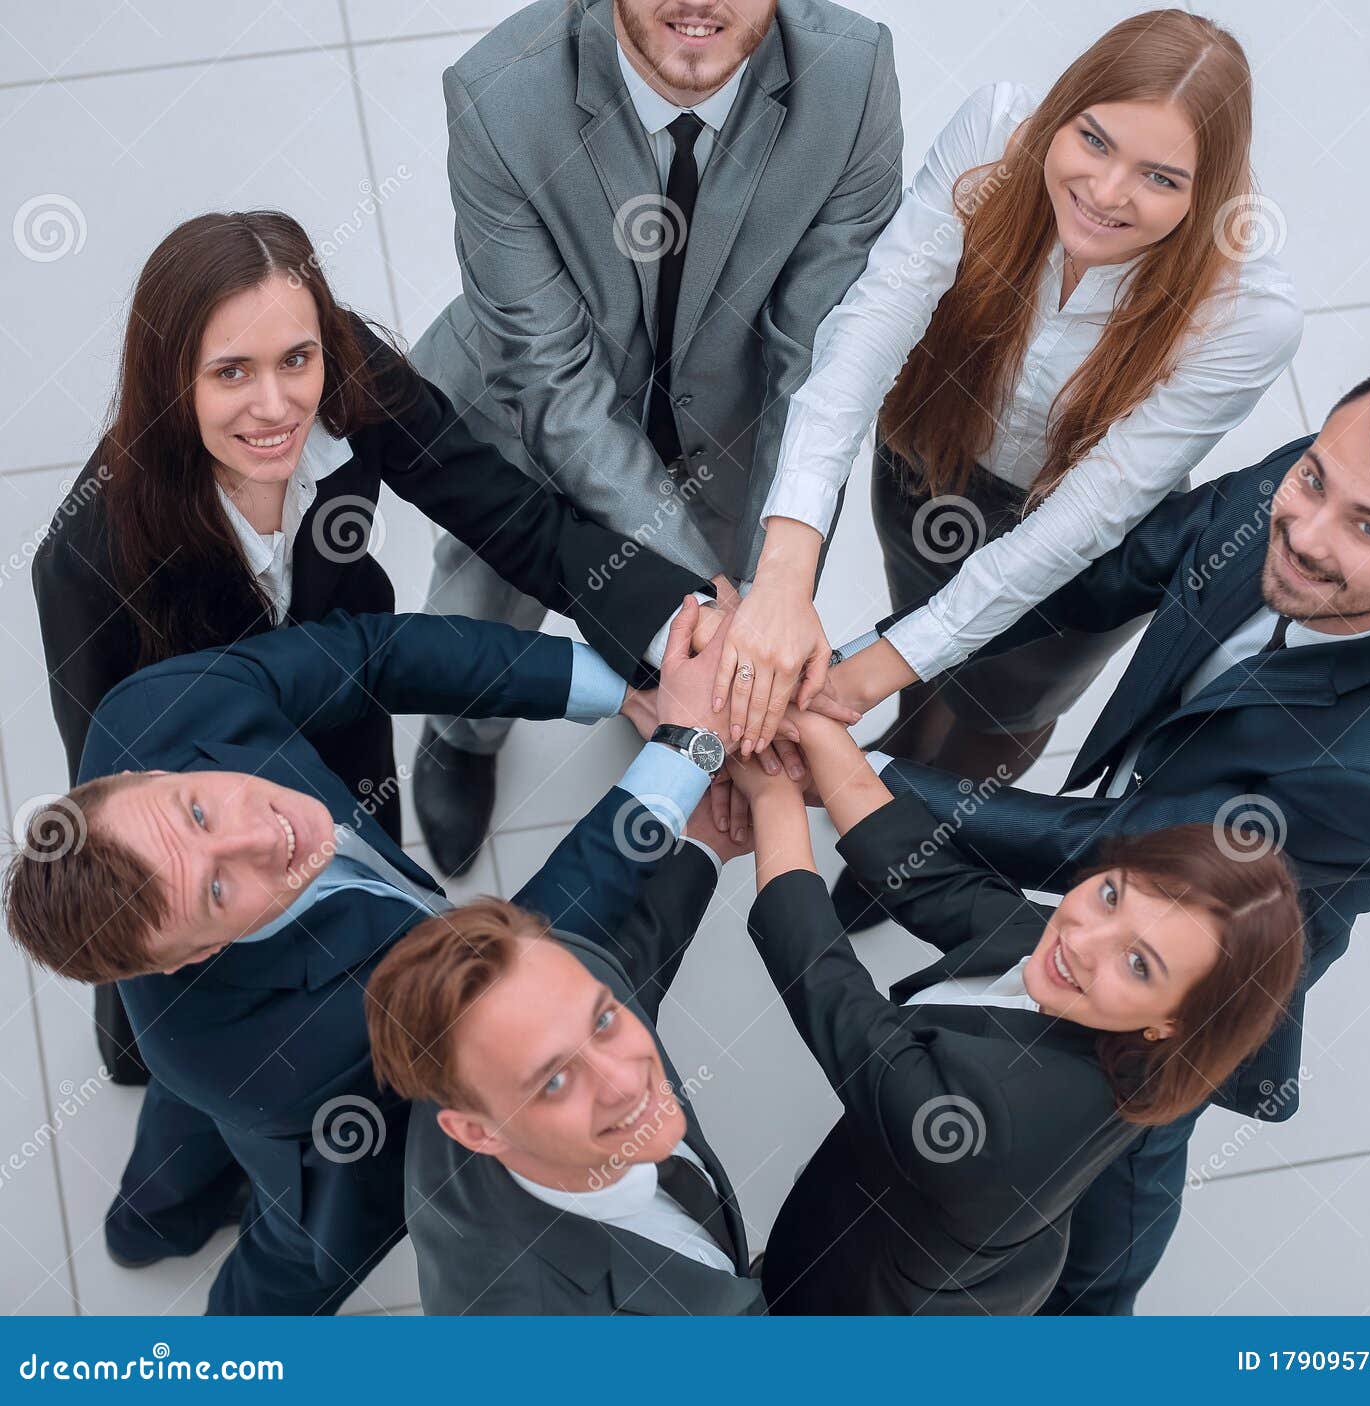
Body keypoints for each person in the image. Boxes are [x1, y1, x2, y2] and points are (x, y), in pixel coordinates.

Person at [30, 208, 721, 1272]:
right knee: (193, 1060)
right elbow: (112, 785)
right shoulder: (85, 557)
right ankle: (158, 1187)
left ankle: (161, 1175)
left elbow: (509, 518)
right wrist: (148, 962)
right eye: (231, 375)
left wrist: (670, 643)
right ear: (172, 379)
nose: (278, 407)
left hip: (333, 730)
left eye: (294, 358)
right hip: (187, 850)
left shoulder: (341, 370)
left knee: (359, 891)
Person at [830, 360, 1370, 1311]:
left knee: (1127, 1132)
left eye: (1368, 529)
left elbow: (1113, 843)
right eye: (1316, 480)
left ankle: (1093, 1320)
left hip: (1204, 953)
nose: (1308, 531)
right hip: (1130, 842)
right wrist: (873, 662)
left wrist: (858, 774)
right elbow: (1098, 580)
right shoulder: (1300, 480)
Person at [3, 602, 732, 1314]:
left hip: (201, 1046)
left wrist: (628, 693)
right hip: (306, 1108)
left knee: (181, 1117)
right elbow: (513, 963)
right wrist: (683, 754)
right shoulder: (289, 1054)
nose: (263, 835)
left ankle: (151, 1219)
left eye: (198, 811)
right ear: (192, 955)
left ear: (145, 777)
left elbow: (374, 654)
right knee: (298, 1255)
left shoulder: (152, 711)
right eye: (218, 888)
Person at [723, 8, 1302, 783]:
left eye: (1160, 178)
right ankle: (902, 752)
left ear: (1209, 192)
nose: (1105, 193)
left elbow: (1085, 519)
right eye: (1093, 139)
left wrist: (857, 676)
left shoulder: (1248, 314)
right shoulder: (998, 134)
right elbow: (869, 330)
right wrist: (786, 573)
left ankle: (921, 838)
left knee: (1004, 712)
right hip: (931, 458)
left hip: (1084, 539)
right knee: (921, 652)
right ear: (1062, 110)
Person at [410, 0, 904, 878]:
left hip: (731, 431)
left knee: (705, 612)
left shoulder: (854, 76)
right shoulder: (496, 93)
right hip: (527, 411)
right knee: (482, 608)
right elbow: (554, 385)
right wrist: (719, 618)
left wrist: (760, 601)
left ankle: (659, 673)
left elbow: (814, 365)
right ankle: (463, 733)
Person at [723, 709, 1302, 1314]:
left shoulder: (997, 1122)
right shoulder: (1112, 1018)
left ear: (1173, 1023)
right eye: (1111, 895)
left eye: (1138, 965)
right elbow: (933, 877)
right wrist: (810, 729)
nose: (1082, 940)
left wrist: (772, 798)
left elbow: (830, 992)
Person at [369, 857, 765, 1315]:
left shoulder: (567, 979)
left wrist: (707, 846)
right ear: (480, 1133)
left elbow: (630, 965)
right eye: (554, 1081)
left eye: (602, 1021)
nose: (624, 1081)